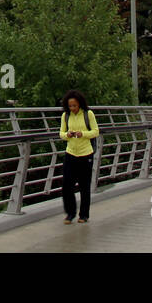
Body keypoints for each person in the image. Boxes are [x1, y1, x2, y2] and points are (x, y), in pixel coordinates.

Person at [59, 89, 100, 224]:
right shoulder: (66, 116)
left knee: (84, 185)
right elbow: (61, 134)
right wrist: (68, 135)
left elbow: (95, 131)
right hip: (70, 152)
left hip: (85, 153)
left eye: (75, 105)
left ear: (80, 104)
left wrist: (83, 134)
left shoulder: (88, 114)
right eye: (70, 106)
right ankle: (70, 213)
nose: (73, 108)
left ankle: (84, 215)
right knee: (67, 185)